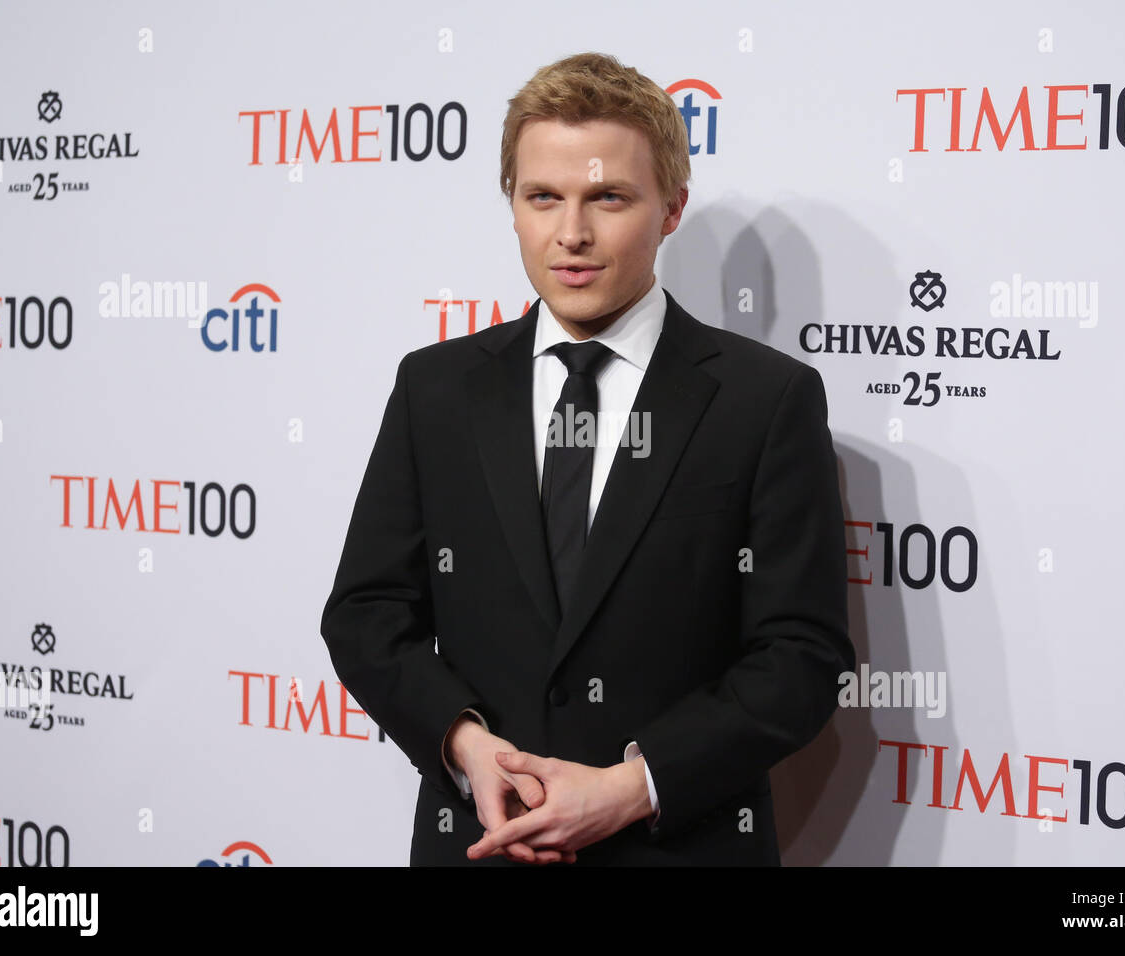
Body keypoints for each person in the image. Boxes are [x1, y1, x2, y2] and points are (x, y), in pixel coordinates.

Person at [319, 52, 851, 866]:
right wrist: (467, 747)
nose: (571, 234)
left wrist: (632, 788)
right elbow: (365, 615)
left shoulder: (765, 401)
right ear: (512, 204)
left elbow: (801, 660)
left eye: (608, 197)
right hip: (483, 843)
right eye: (543, 197)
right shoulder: (436, 390)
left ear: (671, 208)